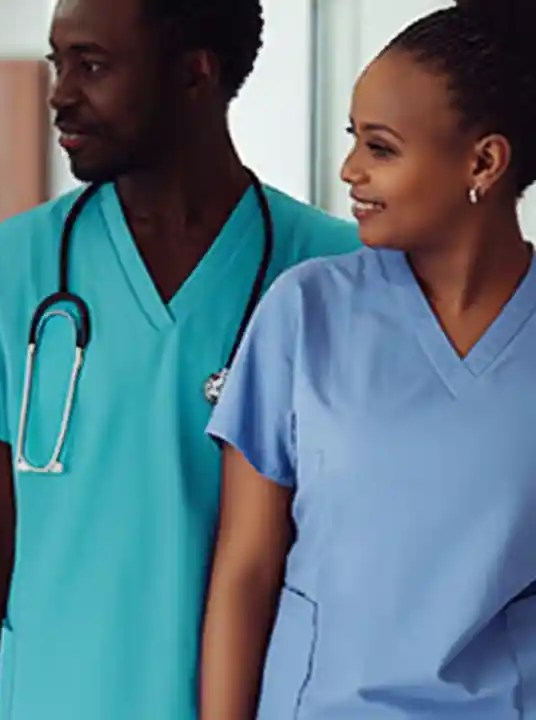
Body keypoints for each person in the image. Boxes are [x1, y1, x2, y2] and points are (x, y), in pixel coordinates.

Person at [0, 0, 362, 716]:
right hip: (55, 696)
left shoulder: (332, 272)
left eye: (92, 66)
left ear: (195, 74)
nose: (60, 92)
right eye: (57, 62)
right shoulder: (14, 266)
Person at [202, 1, 536, 717]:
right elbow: (244, 571)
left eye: (380, 148)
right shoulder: (305, 312)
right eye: (353, 139)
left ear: (484, 161)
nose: (350, 169)